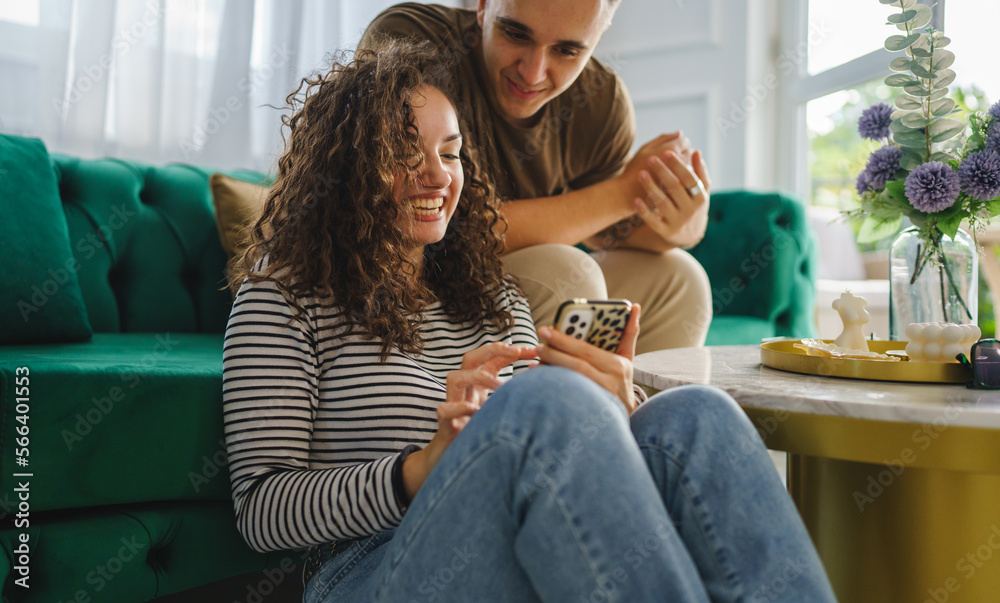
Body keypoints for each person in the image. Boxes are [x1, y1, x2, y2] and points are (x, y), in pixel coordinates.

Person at [222, 37, 835, 602]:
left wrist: (616, 412)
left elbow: (560, 464)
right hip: (368, 569)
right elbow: (261, 511)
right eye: (404, 152)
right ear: (347, 168)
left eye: (451, 152)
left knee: (692, 417)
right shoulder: (284, 293)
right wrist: (422, 468)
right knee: (544, 404)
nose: (438, 174)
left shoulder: (491, 295)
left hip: (512, 536)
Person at [359, 0, 713, 354]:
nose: (533, 72)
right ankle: (542, 416)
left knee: (679, 280)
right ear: (483, 0)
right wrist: (621, 192)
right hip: (414, 278)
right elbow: (440, 226)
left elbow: (604, 228)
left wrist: (685, 225)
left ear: (598, 36)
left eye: (567, 50)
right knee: (565, 270)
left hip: (499, 285)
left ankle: (628, 412)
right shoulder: (409, 42)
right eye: (516, 33)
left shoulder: (600, 101)